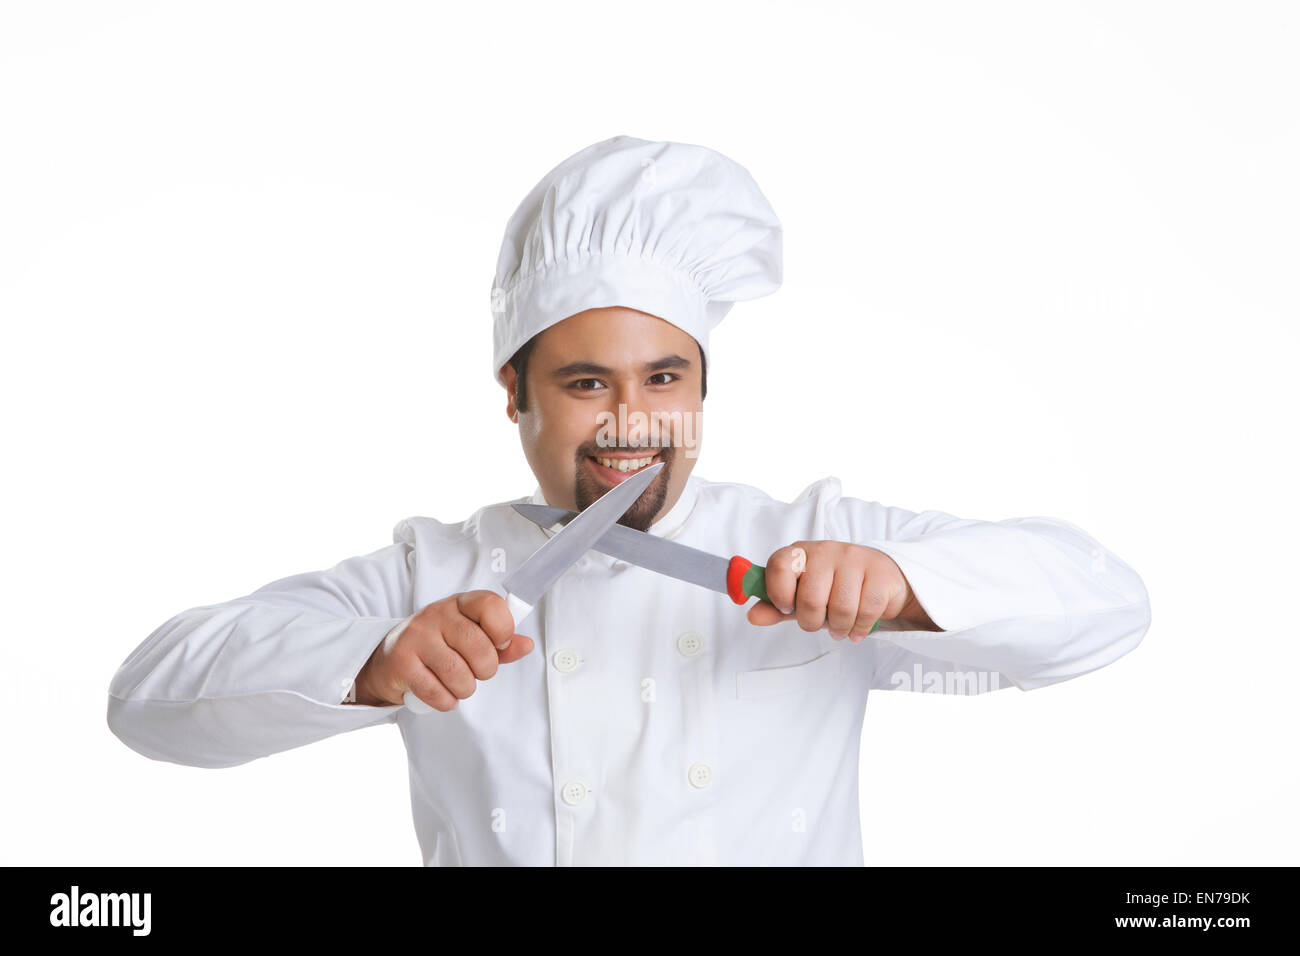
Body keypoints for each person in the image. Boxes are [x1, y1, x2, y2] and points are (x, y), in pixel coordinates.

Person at [107, 135, 1152, 866]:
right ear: (512, 392)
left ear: (701, 391)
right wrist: (376, 660)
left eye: (663, 379)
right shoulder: (432, 574)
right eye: (583, 382)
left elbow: (1105, 605)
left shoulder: (806, 540)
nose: (631, 423)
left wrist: (907, 586)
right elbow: (148, 698)